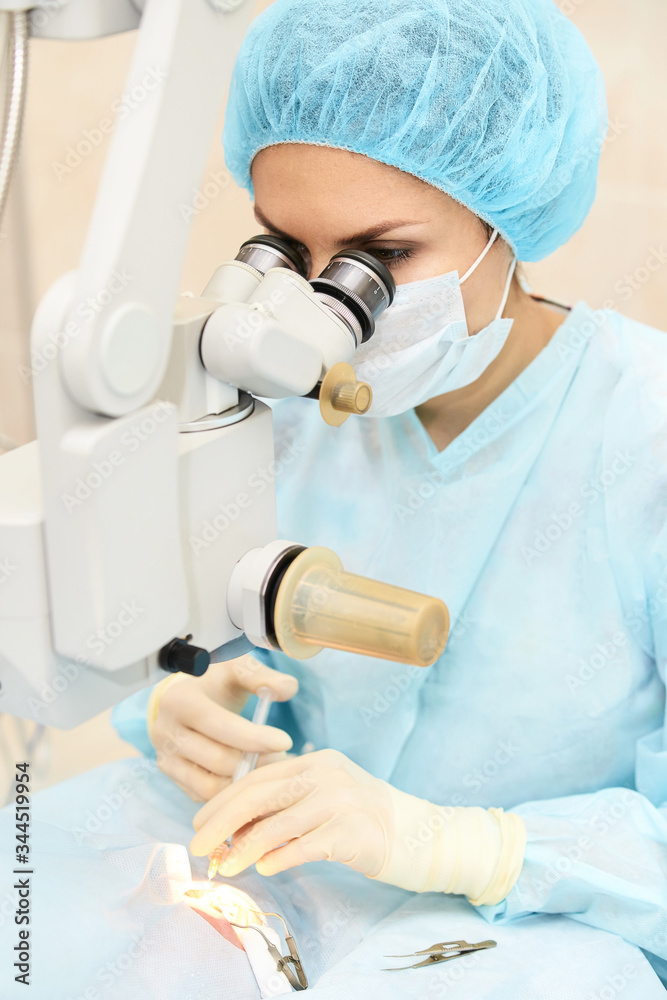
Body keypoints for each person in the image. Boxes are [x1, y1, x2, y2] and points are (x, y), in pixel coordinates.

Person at [113, 0, 667, 982]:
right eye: (285, 249)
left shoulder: (645, 434)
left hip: (545, 929)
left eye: (384, 259)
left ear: (505, 215)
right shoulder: (273, 409)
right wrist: (182, 701)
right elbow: (192, 640)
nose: (320, 309)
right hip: (286, 886)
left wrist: (466, 845)